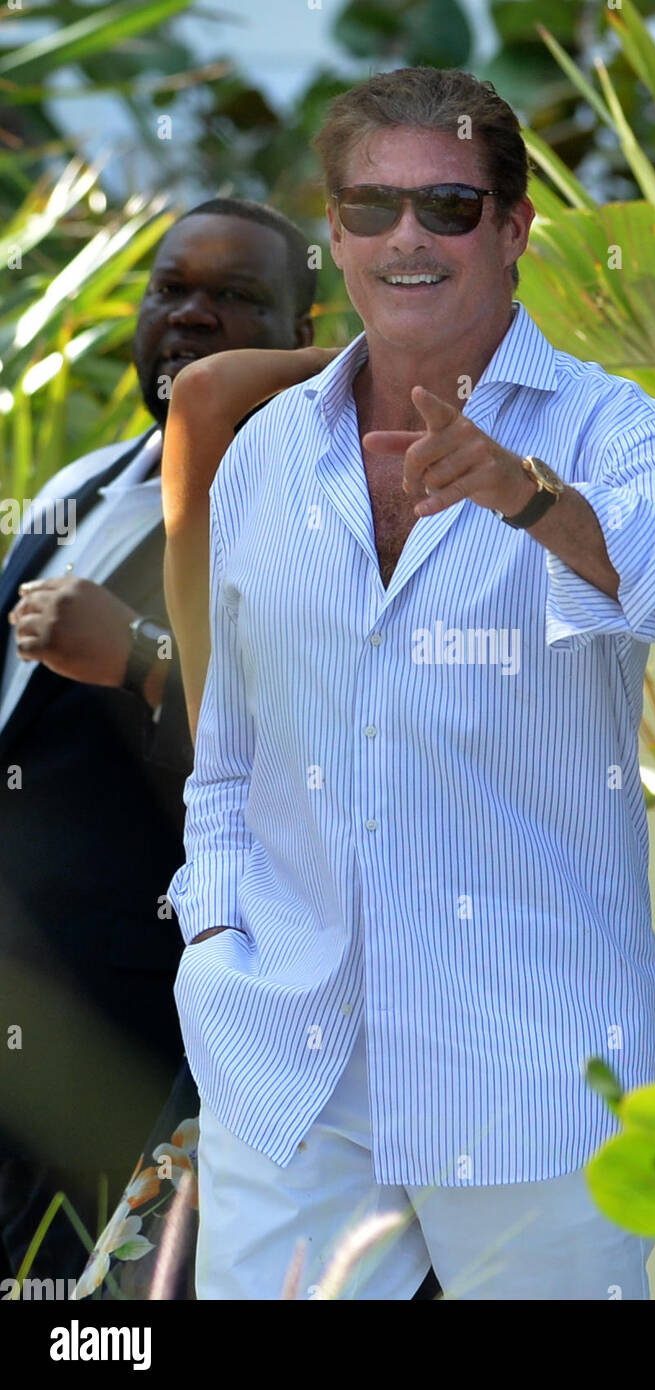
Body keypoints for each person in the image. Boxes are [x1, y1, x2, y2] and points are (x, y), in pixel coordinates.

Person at [166, 67, 655, 1301]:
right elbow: (233, 754)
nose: (407, 238)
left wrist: (530, 497)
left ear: (517, 227)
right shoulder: (265, 456)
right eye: (371, 209)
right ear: (334, 233)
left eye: (449, 206)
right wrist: (213, 944)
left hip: (534, 1067)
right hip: (294, 1059)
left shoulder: (616, 428)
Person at [0, 197, 324, 1287]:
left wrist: (139, 651)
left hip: (136, 1022)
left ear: (302, 330)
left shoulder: (308, 509)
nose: (191, 317)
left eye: (236, 298)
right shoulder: (76, 486)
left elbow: (310, 738)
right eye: (172, 289)